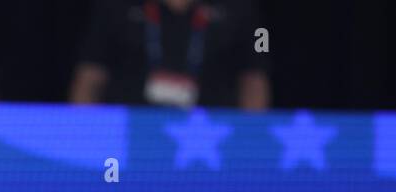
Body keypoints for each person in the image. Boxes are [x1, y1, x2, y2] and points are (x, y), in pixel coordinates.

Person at [69, 0, 269, 110]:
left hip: (213, 140)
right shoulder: (114, 7)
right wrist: (86, 135)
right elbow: (89, 79)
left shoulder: (241, 8)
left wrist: (250, 139)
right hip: (129, 137)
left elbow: (254, 81)